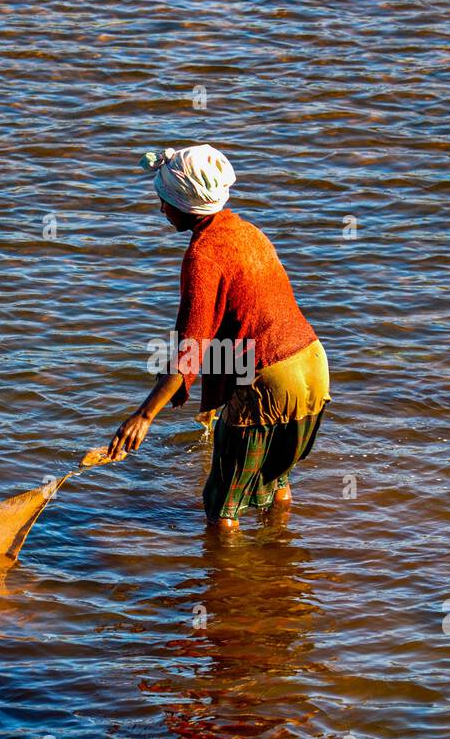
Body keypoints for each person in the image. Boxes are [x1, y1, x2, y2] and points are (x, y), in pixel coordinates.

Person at [108, 144, 330, 529]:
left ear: (185, 204)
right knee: (275, 480)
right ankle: (278, 568)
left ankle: (224, 587)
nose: (162, 210)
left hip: (270, 382)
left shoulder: (204, 254)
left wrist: (143, 415)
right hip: (311, 366)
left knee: (220, 510)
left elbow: (191, 349)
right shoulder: (247, 231)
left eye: (165, 200)